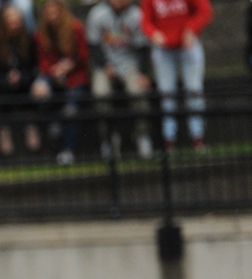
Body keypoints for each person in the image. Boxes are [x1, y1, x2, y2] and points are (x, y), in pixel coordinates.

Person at [142, 0, 213, 152]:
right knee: (167, 93)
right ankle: (169, 140)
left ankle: (198, 137)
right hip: (163, 49)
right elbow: (146, 21)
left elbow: (205, 11)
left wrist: (192, 29)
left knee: (194, 90)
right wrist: (153, 33)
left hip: (189, 45)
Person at [88, 0, 154, 160]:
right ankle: (108, 139)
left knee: (138, 92)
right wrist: (105, 65)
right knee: (100, 93)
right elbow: (93, 46)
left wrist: (143, 73)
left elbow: (143, 48)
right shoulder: (97, 13)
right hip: (106, 65)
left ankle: (142, 136)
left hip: (131, 64)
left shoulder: (137, 15)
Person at [33, 0, 90, 165]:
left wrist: (67, 67)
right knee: (39, 90)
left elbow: (82, 55)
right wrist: (54, 71)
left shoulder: (75, 27)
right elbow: (42, 61)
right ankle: (53, 121)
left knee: (71, 109)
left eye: (55, 12)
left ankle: (68, 150)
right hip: (51, 75)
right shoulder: (41, 34)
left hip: (75, 76)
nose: (52, 16)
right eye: (49, 13)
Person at [0, 5, 39, 156]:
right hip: (1, 84)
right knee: (0, 91)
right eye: (10, 22)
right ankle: (3, 131)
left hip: (25, 81)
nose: (14, 26)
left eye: (17, 22)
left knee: (30, 88)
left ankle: (31, 126)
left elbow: (33, 66)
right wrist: (6, 78)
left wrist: (21, 76)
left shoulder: (28, 40)